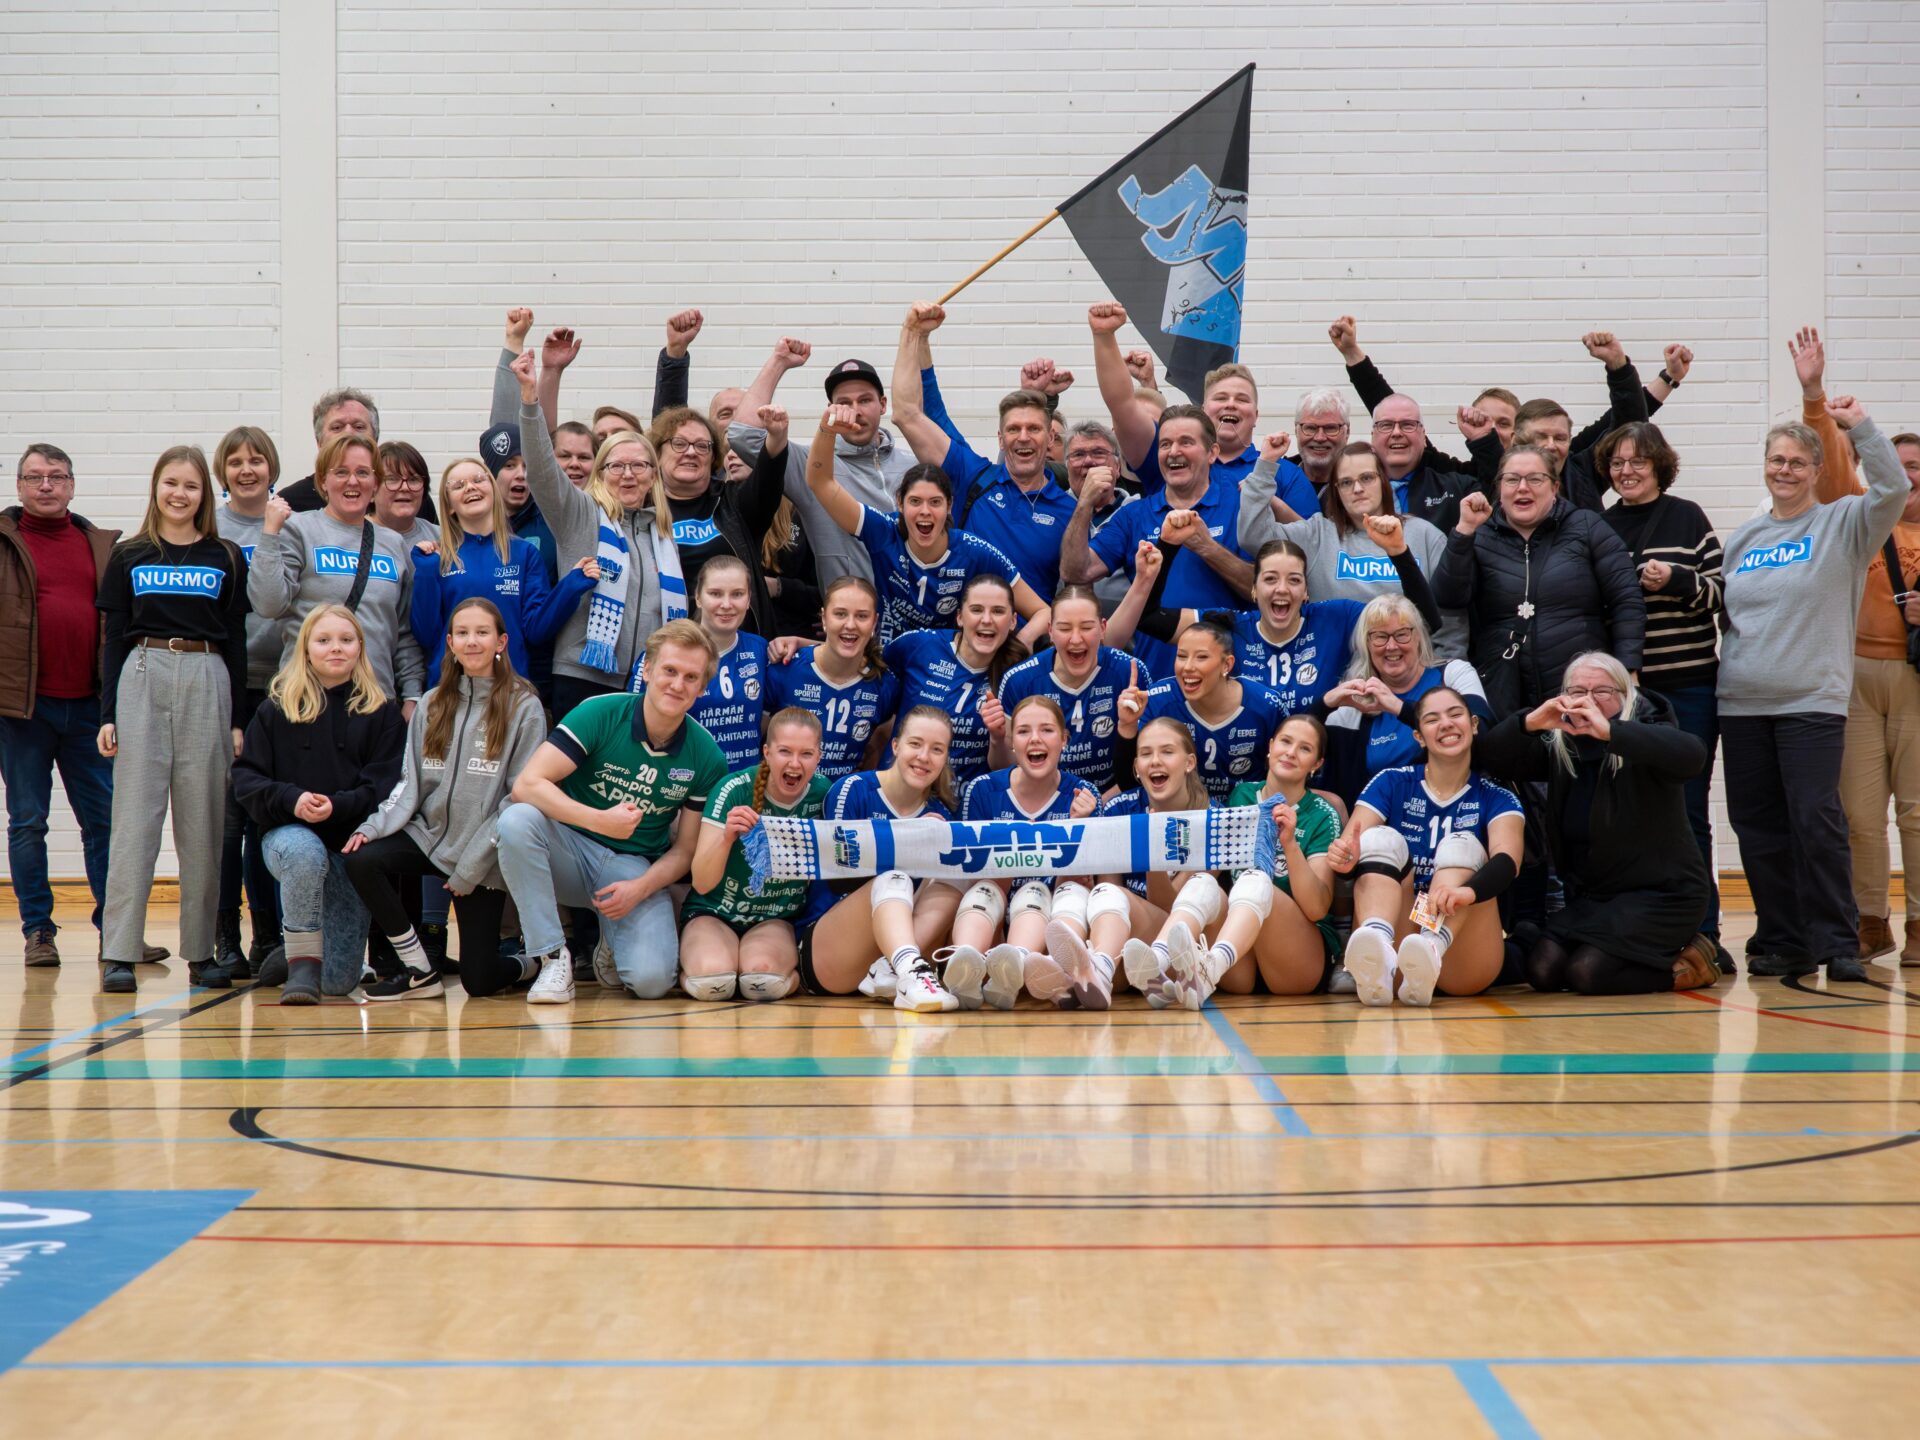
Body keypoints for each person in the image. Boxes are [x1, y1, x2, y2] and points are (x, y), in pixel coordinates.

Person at [1720, 393, 1908, 982]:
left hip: (1810, 702)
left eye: (1797, 462)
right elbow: (1732, 616)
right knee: (1758, 826)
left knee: (1815, 818)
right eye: (1777, 460)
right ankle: (1783, 938)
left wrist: (1860, 427)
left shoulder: (1844, 524)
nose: (1785, 470)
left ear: (1817, 470)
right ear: (1765, 466)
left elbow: (1894, 489)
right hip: (1742, 704)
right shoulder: (1744, 538)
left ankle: (1838, 940)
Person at [497, 619, 730, 1003]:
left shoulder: (706, 755)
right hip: (567, 850)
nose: (677, 684)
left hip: (632, 867)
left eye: (691, 677)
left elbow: (686, 850)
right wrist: (599, 819)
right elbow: (527, 785)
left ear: (702, 688)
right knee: (516, 820)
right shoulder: (600, 713)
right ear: (647, 669)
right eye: (669, 671)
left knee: (653, 983)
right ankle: (554, 959)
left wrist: (639, 889)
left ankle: (612, 937)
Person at [93, 446, 249, 994]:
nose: (180, 494)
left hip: (207, 674)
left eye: (191, 486)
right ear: (155, 488)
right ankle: (119, 949)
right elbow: (113, 640)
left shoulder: (225, 556)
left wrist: (238, 720)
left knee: (203, 822)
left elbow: (236, 640)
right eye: (171, 483)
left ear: (205, 496)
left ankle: (201, 953)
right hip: (143, 671)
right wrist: (107, 713)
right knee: (135, 819)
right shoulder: (129, 554)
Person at [1476, 653, 1719, 995]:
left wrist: (1610, 732)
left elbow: (1693, 754)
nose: (1588, 700)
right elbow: (1492, 757)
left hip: (1663, 895)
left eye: (1601, 691)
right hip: (1597, 897)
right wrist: (1529, 722)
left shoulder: (1647, 728)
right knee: (1542, 970)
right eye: (1578, 690)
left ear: (1623, 697)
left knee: (1587, 973)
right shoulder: (1563, 745)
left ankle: (1689, 968)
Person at [342, 598, 547, 1001]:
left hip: (483, 852)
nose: (473, 642)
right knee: (362, 858)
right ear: (450, 643)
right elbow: (409, 783)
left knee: (480, 982)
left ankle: (532, 962)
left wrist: (470, 869)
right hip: (429, 836)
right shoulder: (432, 703)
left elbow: (518, 800)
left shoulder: (524, 706)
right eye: (463, 634)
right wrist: (373, 827)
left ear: (501, 641)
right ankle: (419, 968)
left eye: (482, 633)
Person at [1595, 421, 1726, 960]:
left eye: (1638, 462)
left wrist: (1676, 580)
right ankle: (1650, 931)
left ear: (1659, 467)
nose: (1626, 472)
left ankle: (1707, 934)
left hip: (1692, 686)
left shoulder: (1688, 517)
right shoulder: (1600, 526)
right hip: (1630, 696)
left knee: (1690, 810)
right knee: (1632, 811)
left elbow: (1722, 596)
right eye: (1618, 464)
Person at [233, 605, 406, 1004]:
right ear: (306, 648)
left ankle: (291, 957)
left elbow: (385, 787)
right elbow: (247, 779)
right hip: (288, 836)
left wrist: (338, 807)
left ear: (361, 648)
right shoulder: (276, 707)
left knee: (338, 982)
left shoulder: (382, 713)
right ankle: (302, 968)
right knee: (305, 852)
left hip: (350, 846)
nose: (336, 649)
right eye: (324, 640)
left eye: (346, 641)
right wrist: (293, 800)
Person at [0, 444, 128, 968]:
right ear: (20, 486)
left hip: (90, 713)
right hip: (23, 713)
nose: (46, 486)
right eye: (35, 477)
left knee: (106, 824)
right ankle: (38, 930)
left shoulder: (100, 545)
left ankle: (114, 932)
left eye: (56, 477)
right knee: (28, 822)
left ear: (72, 485)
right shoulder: (4, 544)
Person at [1329, 687, 1525, 1007]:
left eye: (1455, 714)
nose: (1446, 723)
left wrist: (1467, 893)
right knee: (1378, 839)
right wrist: (1345, 857)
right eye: (1433, 719)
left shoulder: (1497, 797)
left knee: (1462, 843)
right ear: (1419, 738)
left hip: (1461, 950)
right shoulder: (1391, 782)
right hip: (1400, 939)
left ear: (1474, 725)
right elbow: (1352, 842)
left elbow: (1508, 862)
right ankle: (1377, 944)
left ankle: (1430, 948)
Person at [1129, 520, 1439, 718]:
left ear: (1306, 590)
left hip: (1320, 766)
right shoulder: (1232, 625)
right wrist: (1167, 546)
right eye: (1270, 579)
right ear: (1253, 588)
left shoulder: (1337, 616)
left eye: (1294, 580)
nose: (1282, 589)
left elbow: (1421, 622)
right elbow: (1147, 617)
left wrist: (1398, 552)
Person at [797, 400, 1046, 644]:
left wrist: (1022, 643)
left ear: (949, 506)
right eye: (915, 501)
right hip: (890, 662)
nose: (925, 511)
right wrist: (827, 429)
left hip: (947, 670)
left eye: (935, 502)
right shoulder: (884, 531)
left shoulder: (973, 551)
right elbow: (820, 482)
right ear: (900, 504)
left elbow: (1043, 612)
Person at [514, 352, 680, 714]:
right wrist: (529, 401)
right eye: (616, 465)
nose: (628, 474)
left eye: (639, 465)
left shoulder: (663, 536)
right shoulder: (581, 514)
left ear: (654, 474)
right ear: (600, 472)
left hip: (648, 680)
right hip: (583, 676)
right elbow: (542, 469)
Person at [1435, 444, 1646, 719]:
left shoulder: (1587, 526)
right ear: (1499, 487)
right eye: (1512, 479)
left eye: (1535, 479)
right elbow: (1448, 598)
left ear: (1555, 487)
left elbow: (1626, 600)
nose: (1523, 487)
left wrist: (1628, 670)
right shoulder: (1480, 534)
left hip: (1579, 687)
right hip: (1504, 688)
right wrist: (1464, 532)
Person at [888, 302, 1078, 598]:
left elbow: (1078, 589)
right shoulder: (974, 478)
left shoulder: (1070, 510)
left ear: (1050, 438)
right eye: (1014, 429)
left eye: (1034, 429)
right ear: (1001, 439)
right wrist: (914, 335)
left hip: (1033, 642)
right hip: (969, 639)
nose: (1023, 437)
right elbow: (911, 414)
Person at [1153, 716, 1342, 1009]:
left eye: (1305, 749)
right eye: (1286, 741)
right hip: (1243, 963)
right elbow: (1213, 866)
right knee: (1205, 884)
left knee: (1255, 879)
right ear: (1270, 746)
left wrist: (1290, 844)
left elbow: (1317, 908)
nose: (1291, 752)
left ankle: (1210, 966)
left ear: (1316, 764)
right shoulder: (1241, 796)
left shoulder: (1321, 813)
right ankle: (1157, 965)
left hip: (1298, 961)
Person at [1061, 402, 1255, 679]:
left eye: (1186, 442)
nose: (1174, 452)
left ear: (1212, 453)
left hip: (1231, 676)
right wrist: (1084, 504)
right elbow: (1075, 572)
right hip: (1157, 678)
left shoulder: (1241, 506)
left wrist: (1206, 547)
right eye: (1165, 444)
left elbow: (1263, 591)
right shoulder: (1134, 516)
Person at [793, 706, 963, 1012]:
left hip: (889, 959)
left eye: (936, 749)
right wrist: (912, 838)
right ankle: (908, 969)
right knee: (892, 879)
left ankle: (893, 967)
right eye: (915, 744)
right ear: (895, 746)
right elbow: (839, 881)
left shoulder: (940, 815)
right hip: (830, 951)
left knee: (957, 874)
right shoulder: (853, 789)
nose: (924, 756)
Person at [940, 696, 1102, 1010]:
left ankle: (1012, 967)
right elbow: (971, 875)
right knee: (985, 889)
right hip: (989, 918)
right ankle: (966, 962)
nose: (1035, 739)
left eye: (1047, 730)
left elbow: (1082, 886)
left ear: (1064, 740)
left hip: (1048, 921)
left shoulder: (1084, 796)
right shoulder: (982, 790)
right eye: (1024, 731)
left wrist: (1078, 826)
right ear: (1012, 741)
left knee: (1038, 891)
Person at [248, 432, 428, 708]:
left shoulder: (393, 543)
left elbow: (403, 631)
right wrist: (270, 534)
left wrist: (412, 695)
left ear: (376, 482)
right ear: (323, 481)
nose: (353, 481)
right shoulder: (299, 530)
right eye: (341, 472)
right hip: (306, 699)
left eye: (363, 472)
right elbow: (268, 604)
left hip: (374, 701)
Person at [727, 338, 923, 590]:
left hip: (916, 619)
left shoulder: (913, 466)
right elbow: (743, 434)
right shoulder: (810, 465)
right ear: (830, 409)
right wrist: (778, 362)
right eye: (843, 403)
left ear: (883, 404)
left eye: (864, 400)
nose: (855, 411)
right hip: (850, 622)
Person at [1087, 301, 1317, 512]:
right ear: (1204, 411)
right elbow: (1122, 405)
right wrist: (1104, 336)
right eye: (1221, 398)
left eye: (1242, 399)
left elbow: (1313, 540)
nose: (1230, 404)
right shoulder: (1171, 460)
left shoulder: (1284, 473)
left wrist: (1265, 498)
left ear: (1256, 415)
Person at [1238, 439, 1461, 657]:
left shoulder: (1424, 535)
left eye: (1366, 478)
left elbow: (1450, 616)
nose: (1357, 488)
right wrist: (1265, 466)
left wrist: (1444, 669)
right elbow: (1254, 536)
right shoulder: (1318, 534)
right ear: (1336, 490)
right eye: (1346, 482)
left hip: (1408, 671)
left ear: (1383, 481)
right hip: (1335, 674)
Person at [682, 708, 831, 1003]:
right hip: (714, 912)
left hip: (775, 918)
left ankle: (792, 978)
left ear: (819, 756)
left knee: (762, 982)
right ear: (767, 752)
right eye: (784, 751)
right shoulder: (733, 789)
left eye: (806, 754)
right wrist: (727, 837)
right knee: (712, 982)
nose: (794, 763)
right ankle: (688, 968)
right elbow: (700, 883)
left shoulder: (824, 794)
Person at [408, 457, 594, 680]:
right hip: (450, 689)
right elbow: (427, 636)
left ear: (493, 490)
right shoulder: (437, 558)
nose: (470, 487)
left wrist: (570, 587)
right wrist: (427, 573)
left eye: (478, 479)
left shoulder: (524, 553)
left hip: (508, 688)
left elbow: (537, 630)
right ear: (449, 507)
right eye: (458, 485)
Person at [212, 425, 286, 977]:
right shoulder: (208, 525)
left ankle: (268, 935)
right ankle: (225, 938)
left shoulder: (289, 521)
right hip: (222, 681)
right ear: (222, 470)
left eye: (256, 460)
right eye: (235, 461)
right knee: (226, 820)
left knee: (264, 815)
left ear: (271, 467)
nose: (246, 469)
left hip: (281, 685)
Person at [1100, 717, 1227, 1006]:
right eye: (1145, 754)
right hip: (1130, 947)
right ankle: (1097, 968)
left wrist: (1153, 847)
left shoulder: (1211, 817)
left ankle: (1152, 967)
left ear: (1189, 762)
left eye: (1167, 752)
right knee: (1105, 895)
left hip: (1185, 947)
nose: (1155, 761)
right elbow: (1108, 901)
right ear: (1136, 767)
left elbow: (1177, 909)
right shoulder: (1118, 811)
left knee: (1204, 889)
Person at [1318, 596, 1489, 808]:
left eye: (1401, 635)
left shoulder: (1453, 675)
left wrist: (1399, 708)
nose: (1391, 646)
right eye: (1380, 637)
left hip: (1460, 809)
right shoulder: (1355, 704)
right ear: (1367, 644)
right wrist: (1324, 705)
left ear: (1418, 637)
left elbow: (1482, 736)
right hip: (1385, 823)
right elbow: (1305, 755)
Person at [998, 584, 1153, 792]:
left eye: (1087, 627)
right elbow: (1006, 765)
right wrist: (995, 737)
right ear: (1050, 631)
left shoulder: (1129, 673)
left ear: (1103, 629)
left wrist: (1102, 805)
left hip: (1114, 800)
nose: (1076, 639)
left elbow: (1148, 759)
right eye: (1064, 628)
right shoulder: (1019, 680)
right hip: (1045, 798)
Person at [880, 572, 1029, 783]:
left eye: (998, 611)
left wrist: (997, 738)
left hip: (966, 806)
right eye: (976, 610)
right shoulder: (918, 646)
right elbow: (871, 674)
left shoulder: (1017, 675)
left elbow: (1008, 769)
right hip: (903, 792)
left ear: (1013, 621)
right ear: (959, 616)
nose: (986, 620)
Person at [1116, 616, 1285, 800]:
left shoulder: (1266, 705)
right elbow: (1129, 783)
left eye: (1201, 657)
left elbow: (1284, 777)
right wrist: (1127, 725)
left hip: (1245, 815)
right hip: (1181, 812)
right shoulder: (1157, 701)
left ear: (1227, 664)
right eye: (1181, 656)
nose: (1187, 667)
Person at [633, 555, 766, 772]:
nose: (726, 604)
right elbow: (633, 721)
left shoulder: (761, 650)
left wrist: (797, 641)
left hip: (742, 784)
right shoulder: (663, 651)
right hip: (679, 780)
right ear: (698, 597)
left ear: (749, 599)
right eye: (715, 593)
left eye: (737, 594)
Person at [764, 576, 899, 781]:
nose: (850, 625)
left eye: (862, 616)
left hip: (843, 803)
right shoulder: (785, 669)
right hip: (787, 800)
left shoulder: (884, 684)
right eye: (840, 614)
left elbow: (879, 742)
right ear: (824, 618)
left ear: (874, 623)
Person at [375, 441, 438, 550]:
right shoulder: (353, 537)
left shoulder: (442, 538)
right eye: (392, 479)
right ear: (372, 487)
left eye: (413, 479)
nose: (405, 487)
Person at [1289, 389, 1352, 495]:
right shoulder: (1278, 480)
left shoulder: (1363, 485)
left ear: (1347, 432)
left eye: (1331, 428)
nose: (1320, 438)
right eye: (1310, 428)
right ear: (1296, 431)